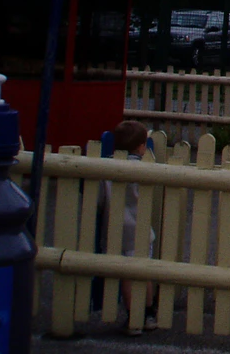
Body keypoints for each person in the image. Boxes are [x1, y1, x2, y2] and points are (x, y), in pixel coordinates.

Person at [103, 120, 157, 335]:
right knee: (144, 271)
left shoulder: (106, 166)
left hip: (119, 229)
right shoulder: (144, 168)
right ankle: (148, 313)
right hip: (141, 227)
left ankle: (132, 316)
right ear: (142, 146)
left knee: (127, 274)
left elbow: (98, 200)